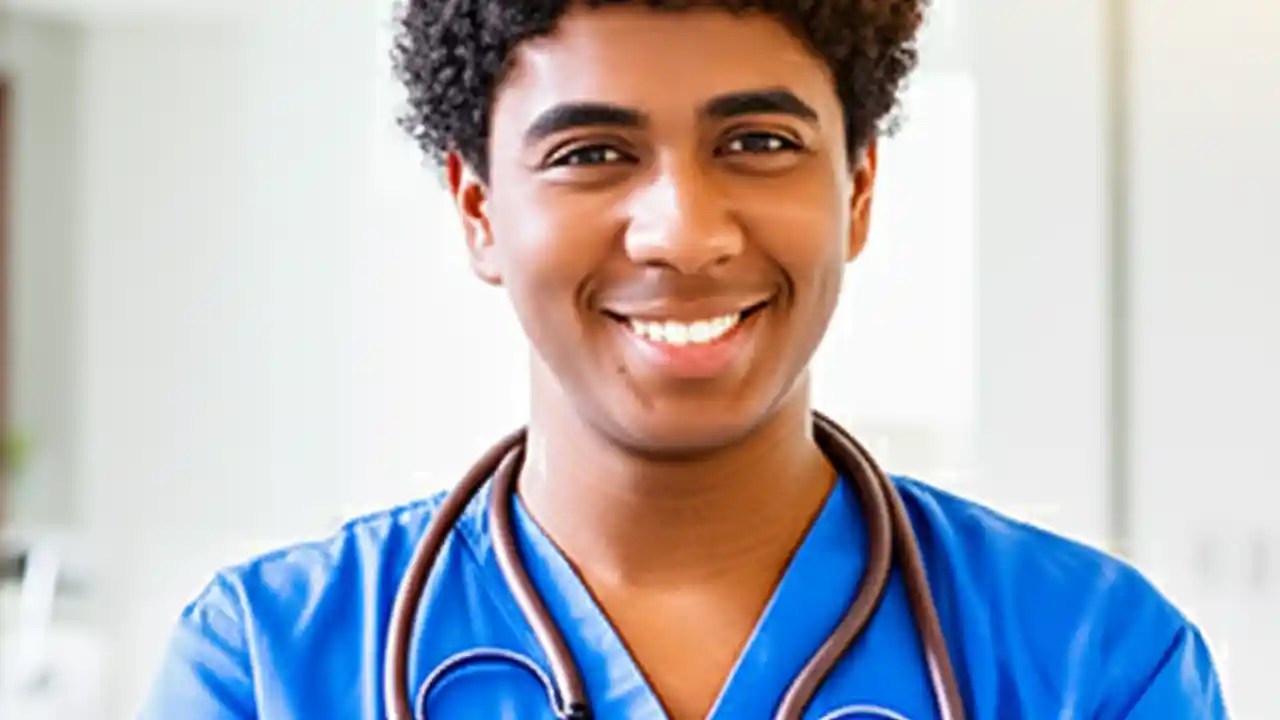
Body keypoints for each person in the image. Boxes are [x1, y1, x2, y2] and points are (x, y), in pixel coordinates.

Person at [140, 1, 1228, 718]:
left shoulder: (1094, 662)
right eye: (592, 153)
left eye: (756, 144)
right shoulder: (269, 665)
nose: (681, 231)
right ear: (477, 209)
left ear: (855, 191)